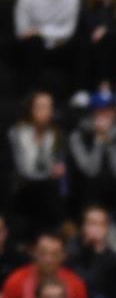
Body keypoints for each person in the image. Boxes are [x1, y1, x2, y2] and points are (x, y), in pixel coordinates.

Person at [7, 91, 68, 240]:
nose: (46, 112)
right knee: (43, 189)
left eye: (49, 107)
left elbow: (55, 165)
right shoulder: (18, 132)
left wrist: (55, 169)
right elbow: (26, 169)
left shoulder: (54, 133)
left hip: (44, 190)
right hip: (22, 188)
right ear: (30, 110)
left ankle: (54, 234)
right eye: (41, 107)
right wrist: (50, 171)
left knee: (52, 190)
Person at [13, 0, 78, 92]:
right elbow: (22, 31)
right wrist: (48, 35)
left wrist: (41, 32)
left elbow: (68, 30)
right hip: (33, 47)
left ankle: (79, 93)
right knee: (33, 43)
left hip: (61, 47)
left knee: (81, 44)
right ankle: (33, 92)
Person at [67, 91, 116, 222]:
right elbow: (90, 171)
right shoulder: (78, 135)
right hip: (87, 191)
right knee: (89, 186)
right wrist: (98, 141)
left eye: (109, 110)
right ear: (91, 113)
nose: (105, 116)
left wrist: (109, 141)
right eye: (100, 111)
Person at [0, 233, 90, 298]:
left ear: (63, 256)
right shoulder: (15, 281)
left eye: (54, 254)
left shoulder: (76, 285)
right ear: (34, 253)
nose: (48, 259)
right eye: (43, 253)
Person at [67, 205, 116, 298]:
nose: (96, 228)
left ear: (107, 228)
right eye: (92, 223)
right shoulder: (71, 253)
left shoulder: (115, 260)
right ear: (83, 227)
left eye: (101, 224)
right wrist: (88, 247)